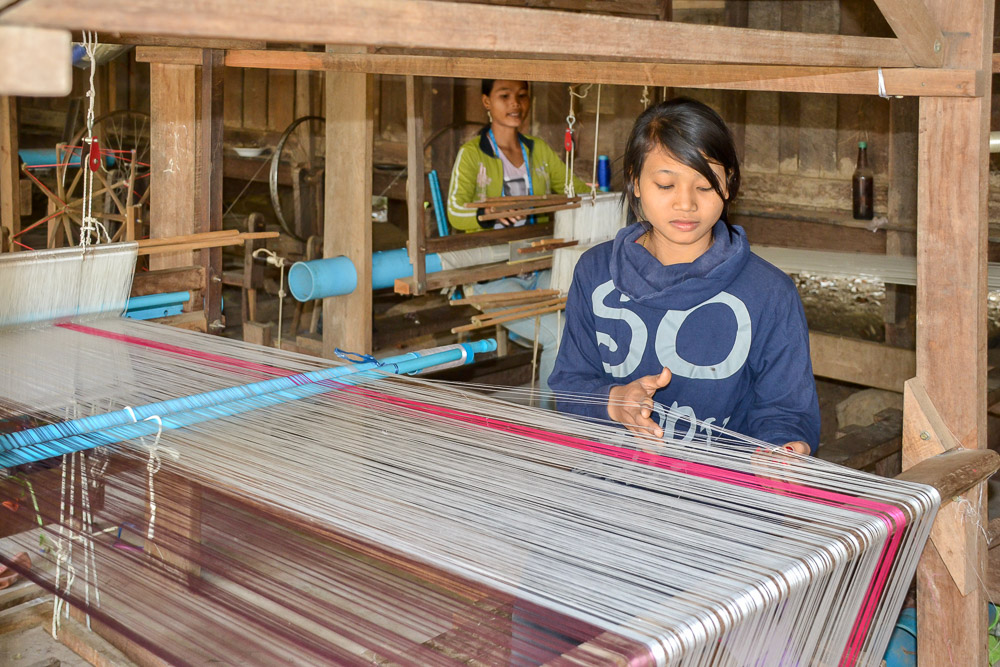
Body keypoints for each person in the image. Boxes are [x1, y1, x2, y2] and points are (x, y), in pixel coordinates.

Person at [548, 97, 820, 454]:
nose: (686, 203)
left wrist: (783, 451)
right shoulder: (597, 272)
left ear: (728, 185)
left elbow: (786, 411)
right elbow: (570, 384)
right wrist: (615, 401)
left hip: (720, 494)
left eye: (704, 186)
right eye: (665, 184)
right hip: (611, 484)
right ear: (636, 183)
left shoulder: (769, 293)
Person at [445, 80, 587, 406]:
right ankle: (549, 422)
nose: (516, 104)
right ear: (486, 101)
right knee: (560, 336)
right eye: (504, 96)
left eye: (522, 95)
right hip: (491, 275)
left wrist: (600, 192)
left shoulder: (536, 150)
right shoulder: (472, 154)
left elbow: (573, 189)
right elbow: (455, 211)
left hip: (534, 268)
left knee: (587, 306)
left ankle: (582, 402)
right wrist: (488, 215)